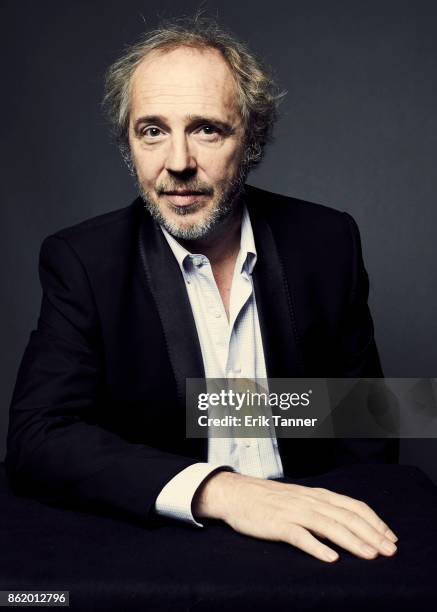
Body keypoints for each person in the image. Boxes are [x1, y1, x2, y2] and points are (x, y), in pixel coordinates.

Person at [6, 16, 399, 564]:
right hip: (165, 543)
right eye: (152, 131)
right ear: (129, 143)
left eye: (206, 129)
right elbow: (36, 438)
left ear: (252, 138)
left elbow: (366, 420)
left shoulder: (327, 240)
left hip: (318, 544)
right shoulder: (84, 262)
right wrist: (223, 489)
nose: (178, 163)